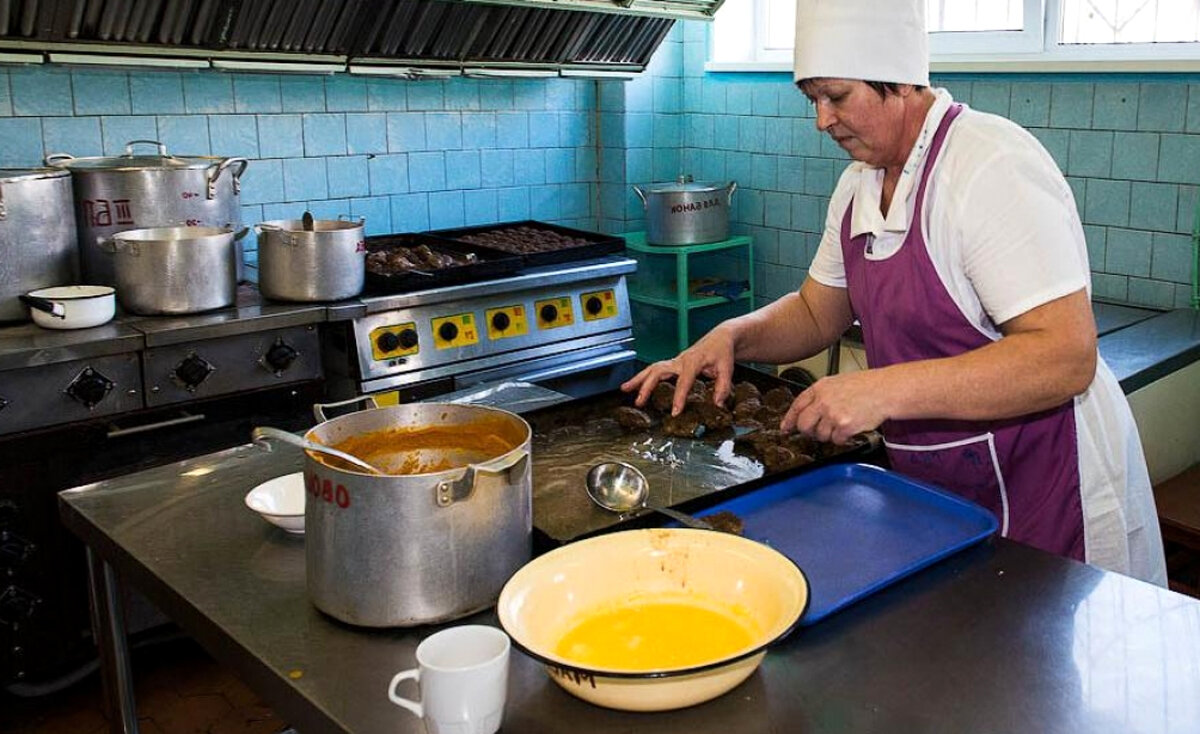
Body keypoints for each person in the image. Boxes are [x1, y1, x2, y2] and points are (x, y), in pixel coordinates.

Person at [622, 0, 1167, 584]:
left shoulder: (988, 166)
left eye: (836, 96)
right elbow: (816, 311)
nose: (822, 121)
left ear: (901, 82)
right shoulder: (859, 185)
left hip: (1044, 482)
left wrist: (880, 390)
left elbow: (1064, 357)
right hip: (941, 485)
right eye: (812, 100)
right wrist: (733, 335)